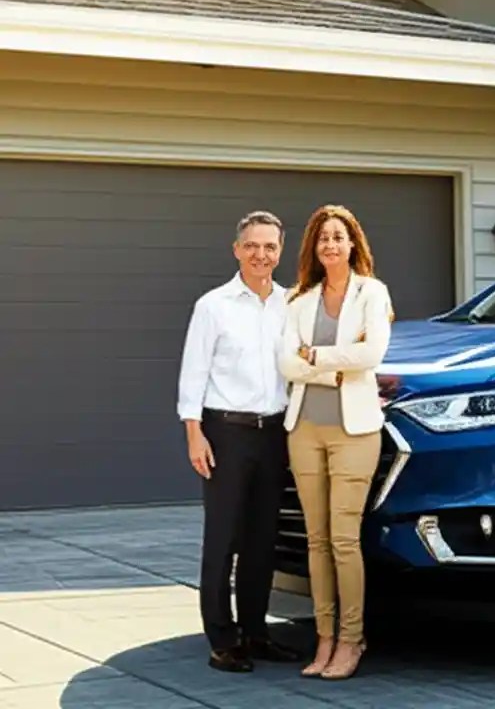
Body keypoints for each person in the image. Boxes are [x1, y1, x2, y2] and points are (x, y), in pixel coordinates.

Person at [177, 210, 303, 672]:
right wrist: (195, 434)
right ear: (237, 250)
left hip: (274, 434)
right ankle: (222, 639)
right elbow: (194, 372)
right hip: (225, 433)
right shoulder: (213, 306)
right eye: (252, 245)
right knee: (223, 538)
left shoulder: (291, 305)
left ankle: (256, 632)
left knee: (262, 540)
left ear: (279, 252)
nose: (261, 255)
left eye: (270, 247)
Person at [278, 204, 393, 680]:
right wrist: (335, 367)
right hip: (303, 428)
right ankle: (323, 639)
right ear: (314, 247)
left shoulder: (372, 292)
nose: (330, 244)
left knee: (345, 541)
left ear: (352, 244)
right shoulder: (299, 299)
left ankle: (351, 639)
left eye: (338, 236)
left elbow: (373, 354)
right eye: (323, 237)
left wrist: (317, 357)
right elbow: (286, 365)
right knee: (317, 540)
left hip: (355, 432)